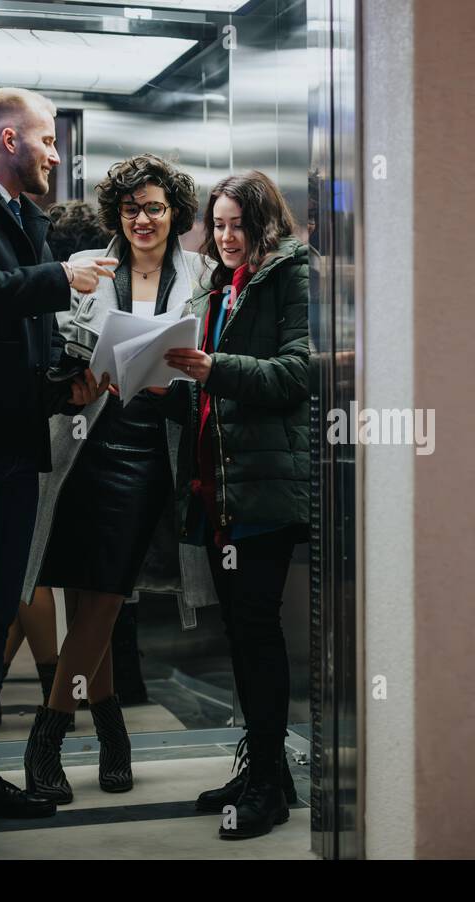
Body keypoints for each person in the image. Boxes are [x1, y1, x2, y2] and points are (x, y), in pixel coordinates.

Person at [0, 86, 113, 860]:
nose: (53, 153)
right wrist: (57, 278)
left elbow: (16, 348)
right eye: (46, 140)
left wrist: (62, 387)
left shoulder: (24, 218)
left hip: (16, 448)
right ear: (8, 139)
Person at [20, 154, 218, 803]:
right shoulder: (91, 274)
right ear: (118, 214)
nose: (142, 218)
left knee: (106, 595)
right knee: (86, 595)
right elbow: (54, 356)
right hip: (87, 444)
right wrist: (73, 384)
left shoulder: (202, 277)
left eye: (155, 207)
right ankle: (112, 735)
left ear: (176, 215)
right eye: (132, 207)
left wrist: (192, 370)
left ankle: (46, 737)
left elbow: (216, 364)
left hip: (149, 450)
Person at [160, 170, 310, 839]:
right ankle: (261, 770)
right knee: (240, 634)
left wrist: (212, 368)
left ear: (263, 224)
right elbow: (206, 383)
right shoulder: (219, 287)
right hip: (218, 484)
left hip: (267, 487)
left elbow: (299, 373)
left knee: (256, 628)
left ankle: (271, 787)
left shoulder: (290, 279)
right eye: (217, 225)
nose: (225, 237)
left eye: (236, 225)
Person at [0, 201, 112, 725]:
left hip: (47, 429)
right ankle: (55, 690)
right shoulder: (70, 292)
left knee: (34, 563)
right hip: (61, 429)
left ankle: (24, 687)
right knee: (38, 566)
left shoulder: (44, 293)